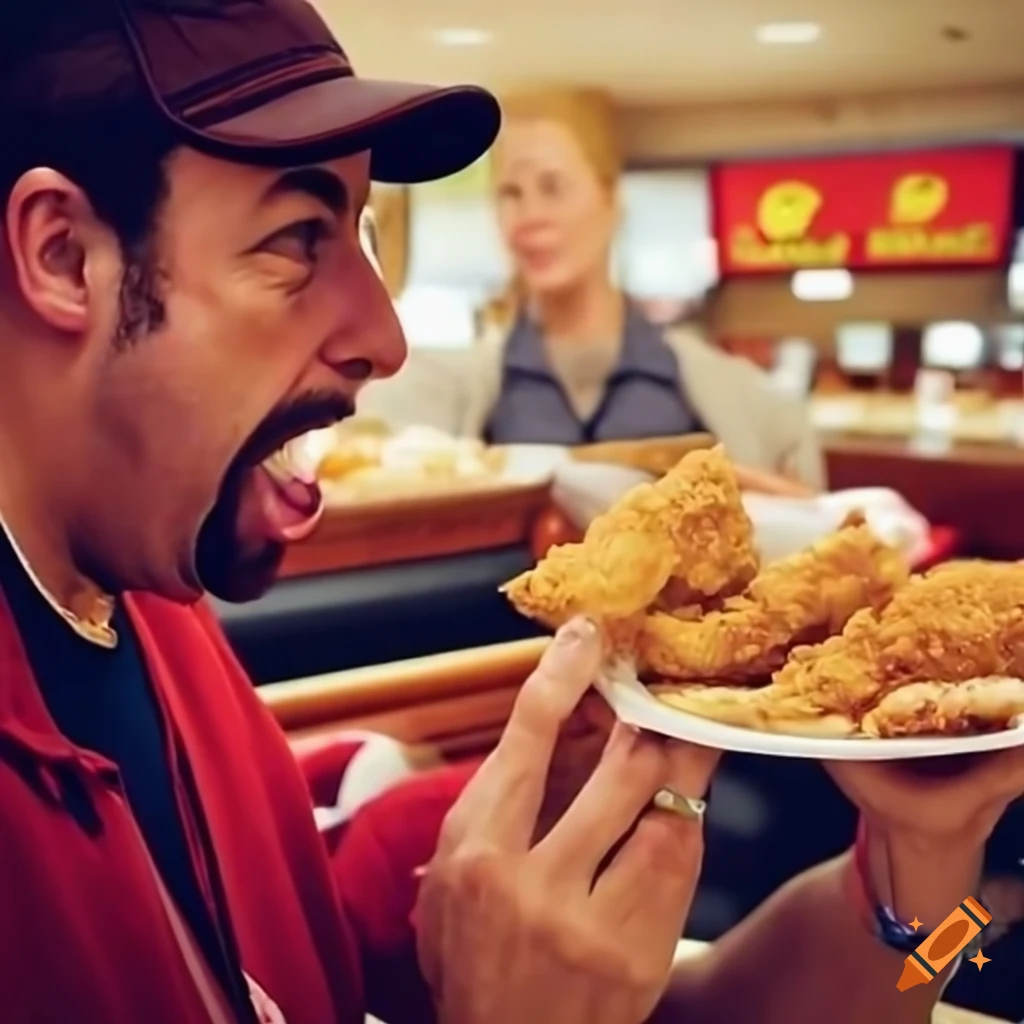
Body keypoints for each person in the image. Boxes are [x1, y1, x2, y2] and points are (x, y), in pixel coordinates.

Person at [0, 2, 1022, 1023]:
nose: (385, 337)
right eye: (294, 239)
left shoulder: (156, 617)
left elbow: (809, 993)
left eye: (358, 230)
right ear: (61, 256)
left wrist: (932, 886)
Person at [359, 90, 823, 490]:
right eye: (511, 194)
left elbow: (803, 508)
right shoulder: (452, 388)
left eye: (553, 187)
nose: (531, 216)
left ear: (611, 203)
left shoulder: (730, 392)